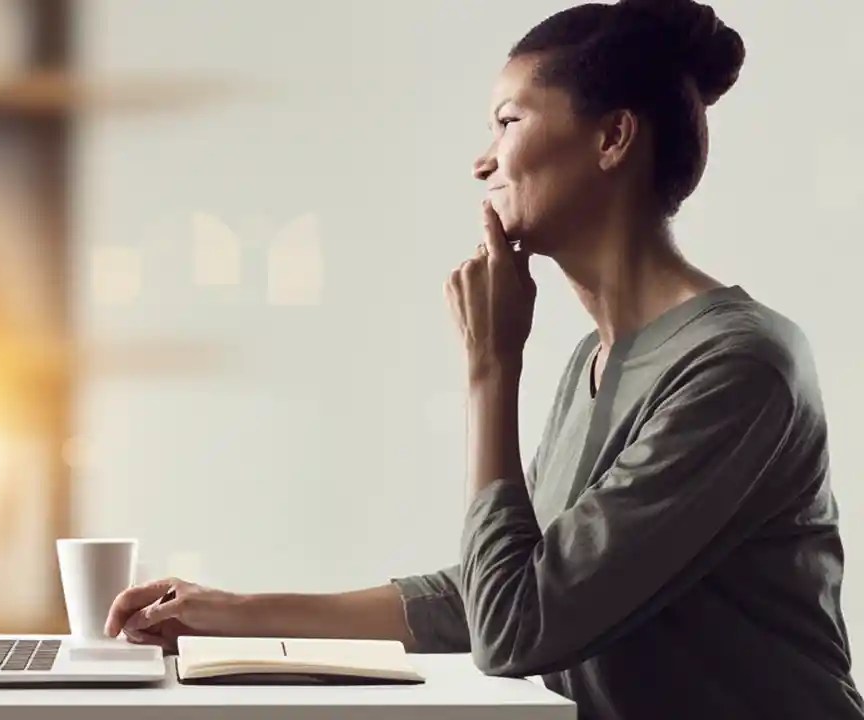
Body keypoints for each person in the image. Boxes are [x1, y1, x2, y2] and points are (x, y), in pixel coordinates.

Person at [104, 1, 864, 717]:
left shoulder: (738, 368)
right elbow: (495, 591)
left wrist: (492, 367)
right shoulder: (594, 363)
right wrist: (231, 613)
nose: (482, 162)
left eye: (507, 121)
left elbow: (516, 630)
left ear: (613, 139)